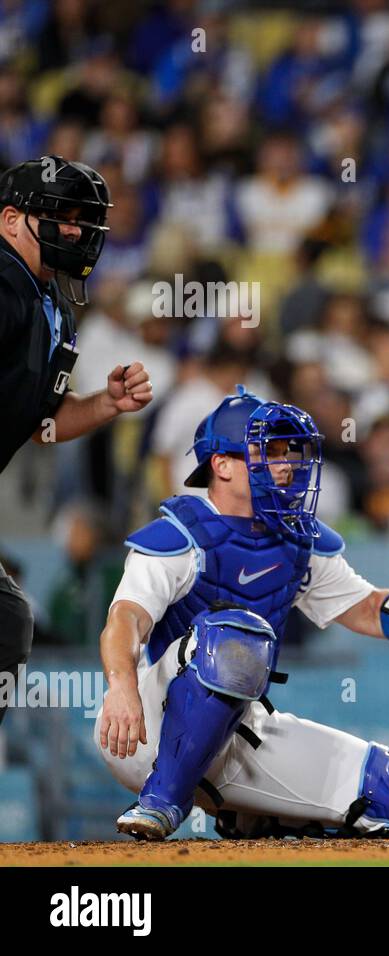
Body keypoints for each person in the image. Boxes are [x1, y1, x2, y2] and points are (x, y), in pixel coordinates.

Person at [94, 387, 389, 840]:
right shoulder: (180, 533)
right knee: (233, 636)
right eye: (267, 451)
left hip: (238, 732)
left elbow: (366, 607)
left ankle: (253, 815)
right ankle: (161, 799)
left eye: (287, 450)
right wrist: (122, 687)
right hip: (148, 726)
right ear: (221, 466)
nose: (284, 463)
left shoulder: (296, 538)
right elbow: (125, 619)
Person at [0, 155, 153, 726]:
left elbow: (42, 426)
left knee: (7, 621)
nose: (74, 230)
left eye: (81, 219)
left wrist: (105, 404)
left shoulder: (53, 304)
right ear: (12, 220)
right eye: (60, 216)